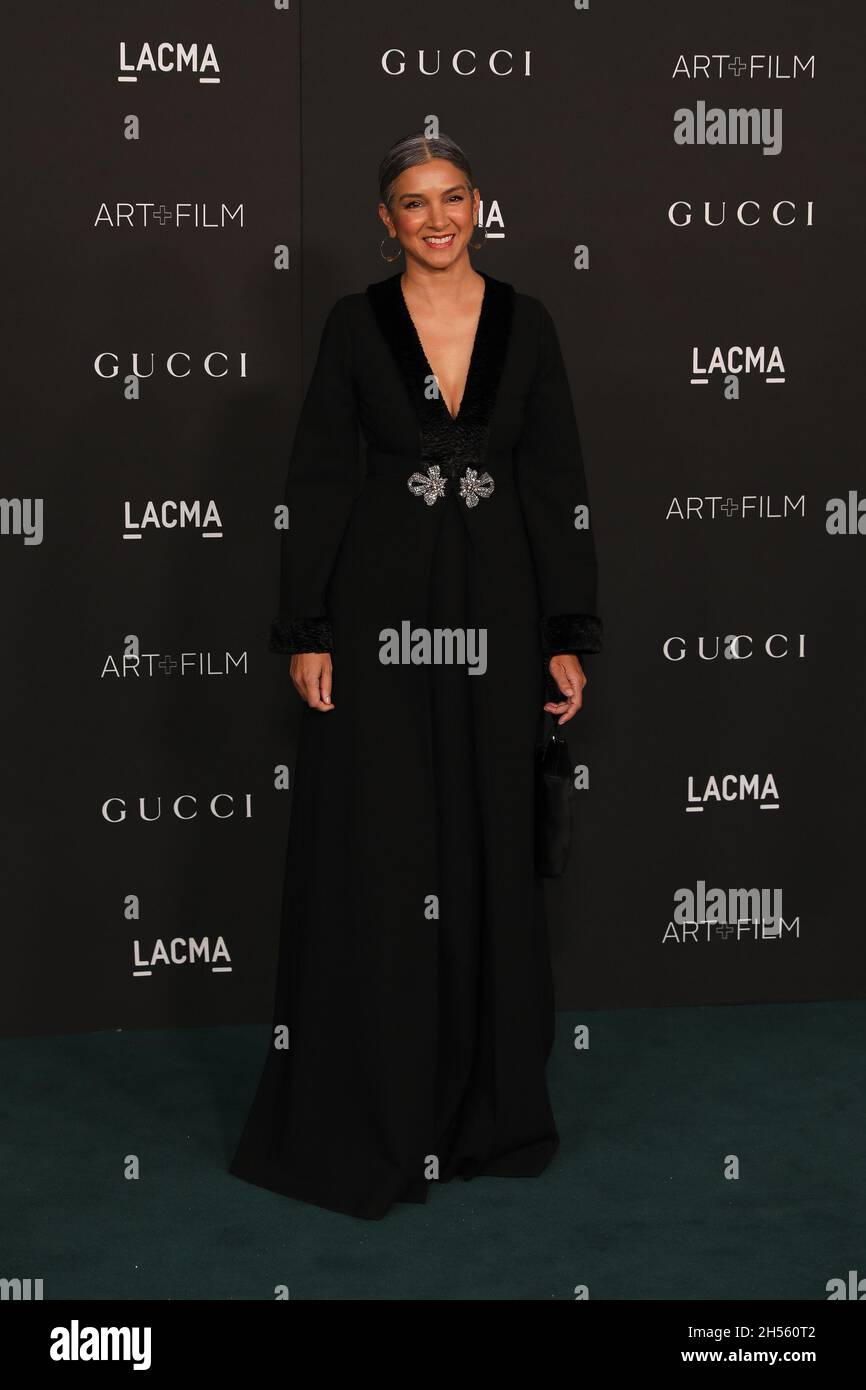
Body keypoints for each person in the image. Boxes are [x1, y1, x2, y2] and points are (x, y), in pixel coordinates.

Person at [229, 131, 603, 1220]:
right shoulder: (353, 327)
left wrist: (565, 630)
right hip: (380, 616)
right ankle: (379, 1107)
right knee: (385, 852)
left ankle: (486, 1114)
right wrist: (307, 628)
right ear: (383, 221)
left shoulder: (528, 325)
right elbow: (316, 480)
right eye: (409, 202)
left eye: (450, 197)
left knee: (484, 840)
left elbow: (555, 480)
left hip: (497, 616)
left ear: (479, 203)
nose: (434, 217)